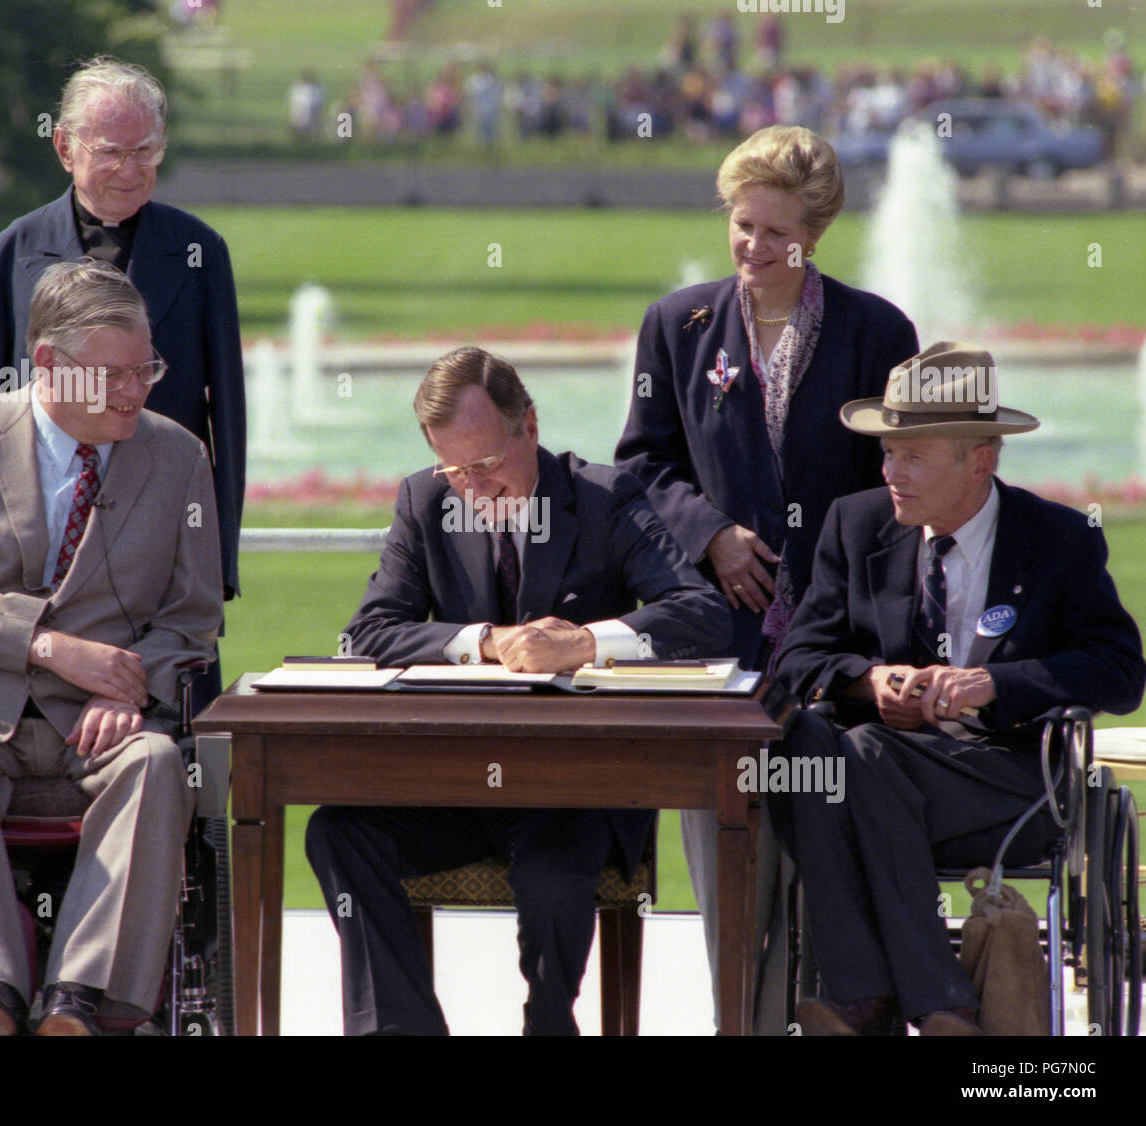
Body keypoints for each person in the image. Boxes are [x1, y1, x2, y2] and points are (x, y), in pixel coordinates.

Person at [305, 346, 729, 1035]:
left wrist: (586, 641)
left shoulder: (604, 497)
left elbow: (700, 614)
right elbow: (370, 631)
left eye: (487, 464)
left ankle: (548, 1021)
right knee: (338, 832)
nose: (473, 489)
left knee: (556, 869)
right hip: (453, 785)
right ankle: (402, 1028)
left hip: (572, 786)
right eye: (456, 469)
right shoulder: (424, 499)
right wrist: (485, 640)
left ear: (528, 425)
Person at [614, 123, 919, 1033]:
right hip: (720, 643)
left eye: (776, 233)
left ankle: (832, 1013)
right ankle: (738, 1023)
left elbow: (899, 486)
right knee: (725, 847)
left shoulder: (877, 331)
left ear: (814, 234)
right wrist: (710, 536)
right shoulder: (679, 325)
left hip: (840, 646)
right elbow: (642, 467)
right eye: (742, 225)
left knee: (823, 841)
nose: (754, 247)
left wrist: (839, 594)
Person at [770, 342, 1145, 1035]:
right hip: (877, 774)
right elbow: (797, 659)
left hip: (1009, 783)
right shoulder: (856, 525)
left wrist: (993, 684)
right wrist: (870, 680)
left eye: (912, 455)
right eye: (887, 452)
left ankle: (876, 1000)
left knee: (860, 759)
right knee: (807, 742)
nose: (891, 472)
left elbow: (1121, 672)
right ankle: (925, 1001)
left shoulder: (1057, 539)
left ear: (981, 460)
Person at [0, 259, 223, 1035]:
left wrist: (129, 690)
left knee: (155, 765)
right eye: (116, 375)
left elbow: (192, 618)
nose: (137, 391)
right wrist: (47, 647)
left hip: (107, 727)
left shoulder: (177, 457)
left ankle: (79, 1003)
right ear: (48, 364)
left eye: (147, 369)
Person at [0, 56, 244, 630]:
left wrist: (217, 564)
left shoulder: (200, 251)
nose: (129, 169)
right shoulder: (8, 255)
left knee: (163, 703)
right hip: (36, 546)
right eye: (111, 151)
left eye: (145, 151)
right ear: (65, 148)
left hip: (160, 533)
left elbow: (228, 418)